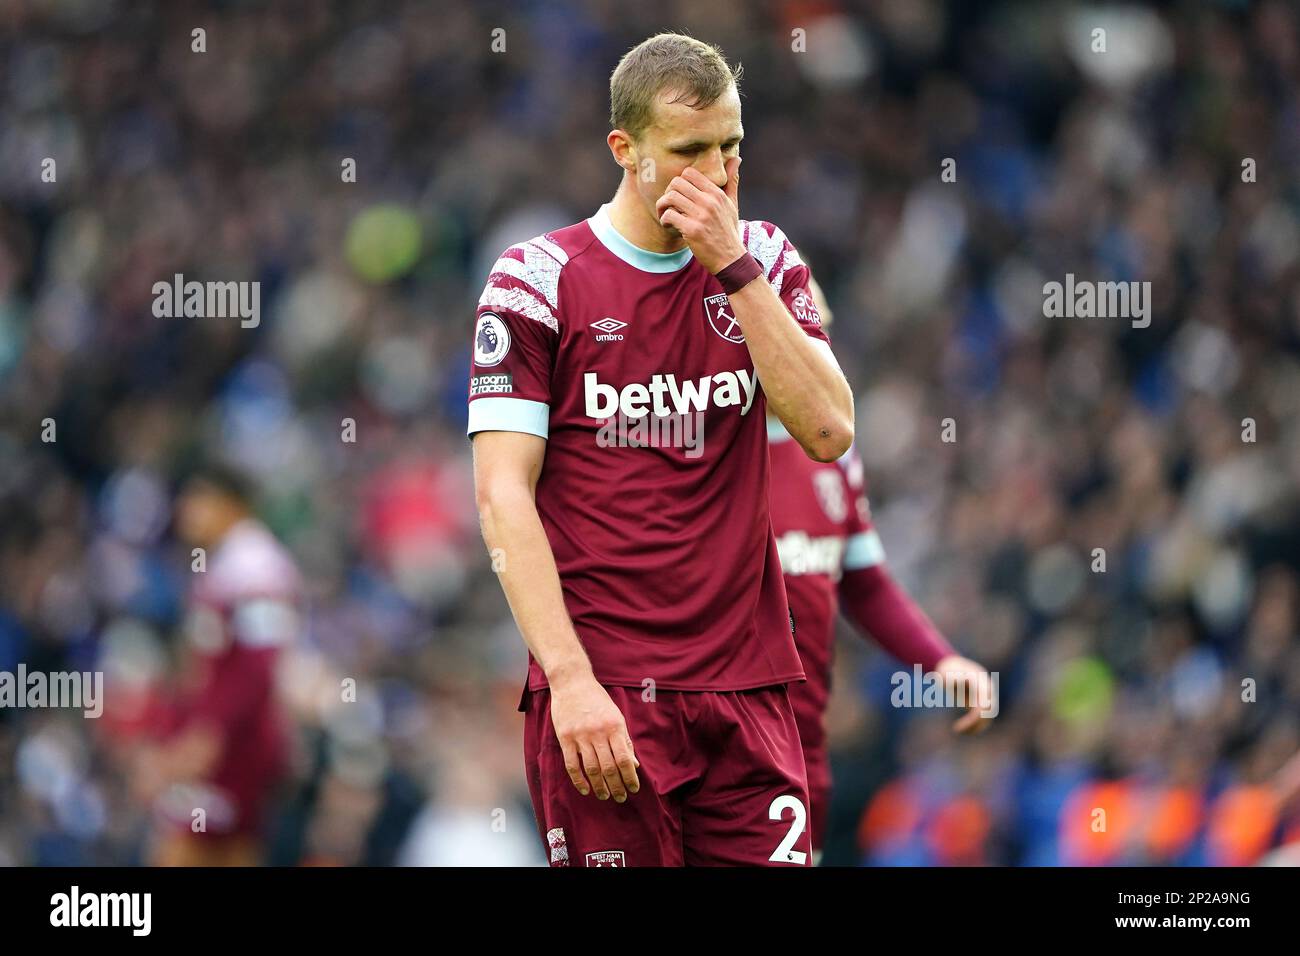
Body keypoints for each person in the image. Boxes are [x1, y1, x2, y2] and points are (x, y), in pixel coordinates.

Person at [469, 32, 855, 866]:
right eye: (689, 151)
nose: (716, 173)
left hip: (747, 690)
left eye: (731, 147)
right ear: (626, 149)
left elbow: (828, 430)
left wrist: (731, 266)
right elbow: (503, 497)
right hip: (606, 699)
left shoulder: (767, 262)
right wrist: (569, 681)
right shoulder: (536, 279)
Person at [767, 277, 995, 863]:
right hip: (722, 741)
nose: (824, 330)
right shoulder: (704, 452)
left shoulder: (834, 455)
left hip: (802, 748)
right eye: (807, 319)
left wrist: (941, 661)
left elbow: (863, 584)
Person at [136, 461, 302, 866]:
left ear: (232, 504)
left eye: (199, 500)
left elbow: (258, 668)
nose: (187, 511)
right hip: (224, 743)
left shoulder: (257, 566)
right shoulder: (226, 560)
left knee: (188, 848)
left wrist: (203, 739)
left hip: (236, 746)